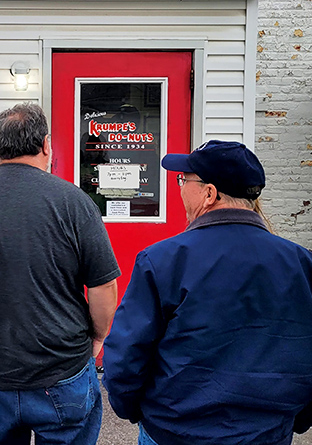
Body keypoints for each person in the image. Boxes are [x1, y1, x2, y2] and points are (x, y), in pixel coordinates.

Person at [0, 103, 120, 445]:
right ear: (46, 144)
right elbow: (103, 284)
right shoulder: (73, 202)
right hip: (62, 369)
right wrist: (99, 338)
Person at [103, 139, 312, 445]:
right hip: (265, 434)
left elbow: (125, 357)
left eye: (183, 180)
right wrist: (295, 418)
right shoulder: (301, 263)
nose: (179, 189)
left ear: (210, 193)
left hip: (173, 433)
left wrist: (139, 412)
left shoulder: (163, 260)